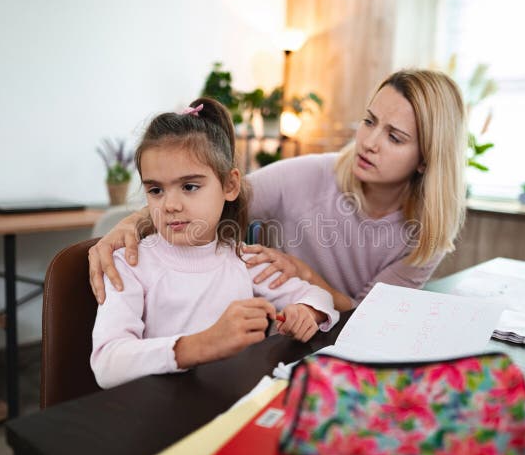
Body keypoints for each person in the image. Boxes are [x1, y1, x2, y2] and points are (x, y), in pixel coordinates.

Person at [89, 69, 466, 314]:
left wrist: (305, 274)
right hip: (278, 339)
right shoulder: (308, 175)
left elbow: (369, 320)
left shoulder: (425, 236)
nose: (369, 142)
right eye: (369, 121)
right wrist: (133, 223)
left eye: (394, 137)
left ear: (425, 159)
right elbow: (213, 196)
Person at [90, 98, 338, 389]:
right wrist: (201, 345)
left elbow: (320, 297)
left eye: (189, 186)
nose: (170, 204)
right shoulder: (130, 263)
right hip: (158, 413)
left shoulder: (243, 258)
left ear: (230, 186)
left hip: (229, 404)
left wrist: (306, 312)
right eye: (156, 190)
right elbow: (107, 363)